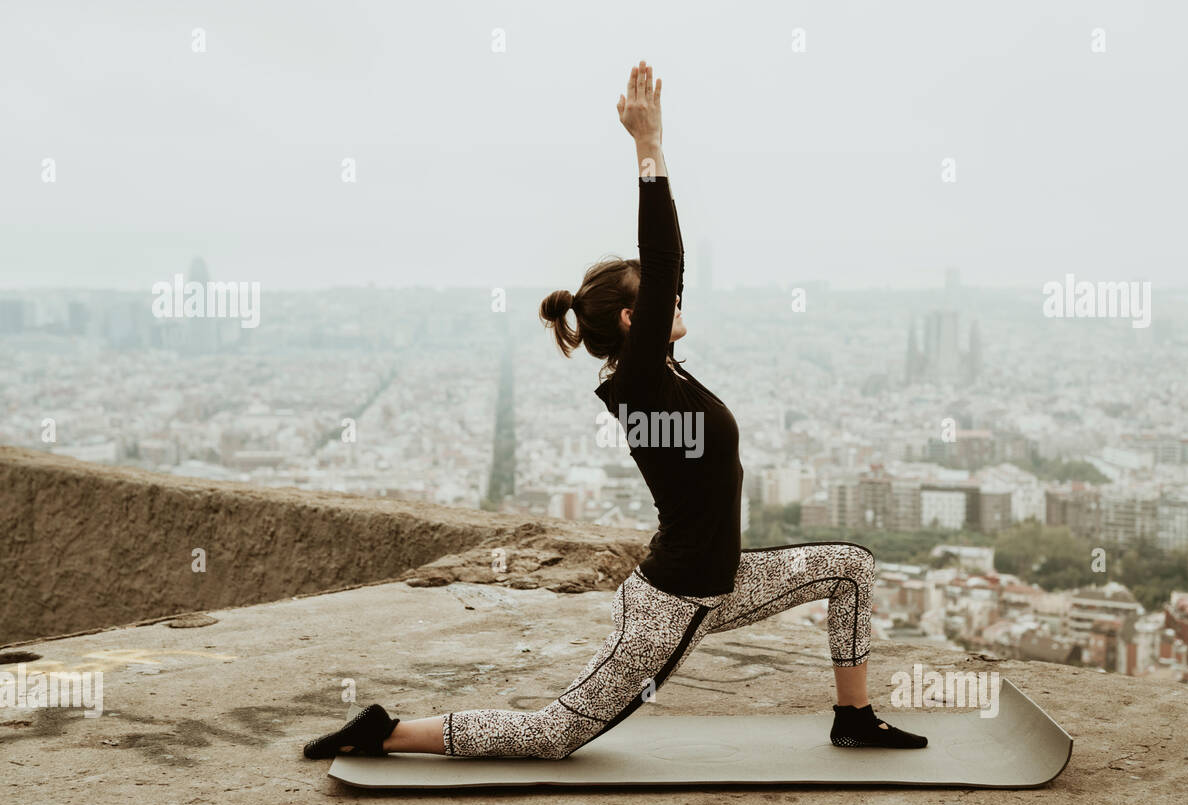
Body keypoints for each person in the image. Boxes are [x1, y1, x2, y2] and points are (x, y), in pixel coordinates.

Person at [304, 61, 926, 762]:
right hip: (671, 605)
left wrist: (658, 160)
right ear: (634, 318)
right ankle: (386, 732)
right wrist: (647, 146)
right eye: (659, 299)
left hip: (721, 582)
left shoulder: (660, 369)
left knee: (850, 567)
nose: (677, 299)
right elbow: (662, 264)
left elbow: (671, 265)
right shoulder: (639, 385)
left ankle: (854, 718)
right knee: (553, 735)